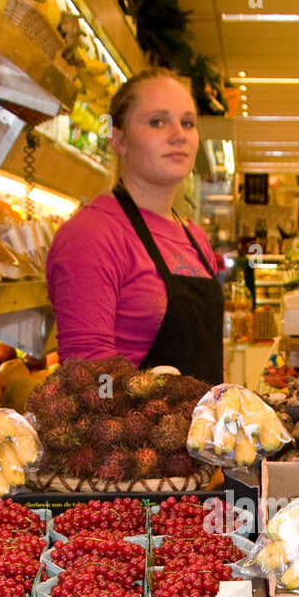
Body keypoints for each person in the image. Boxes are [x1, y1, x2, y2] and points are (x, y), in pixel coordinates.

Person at [46, 68, 225, 381]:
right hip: (134, 429)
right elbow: (88, 379)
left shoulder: (194, 237)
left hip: (203, 427)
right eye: (157, 121)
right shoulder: (91, 236)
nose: (178, 134)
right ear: (118, 138)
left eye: (187, 123)